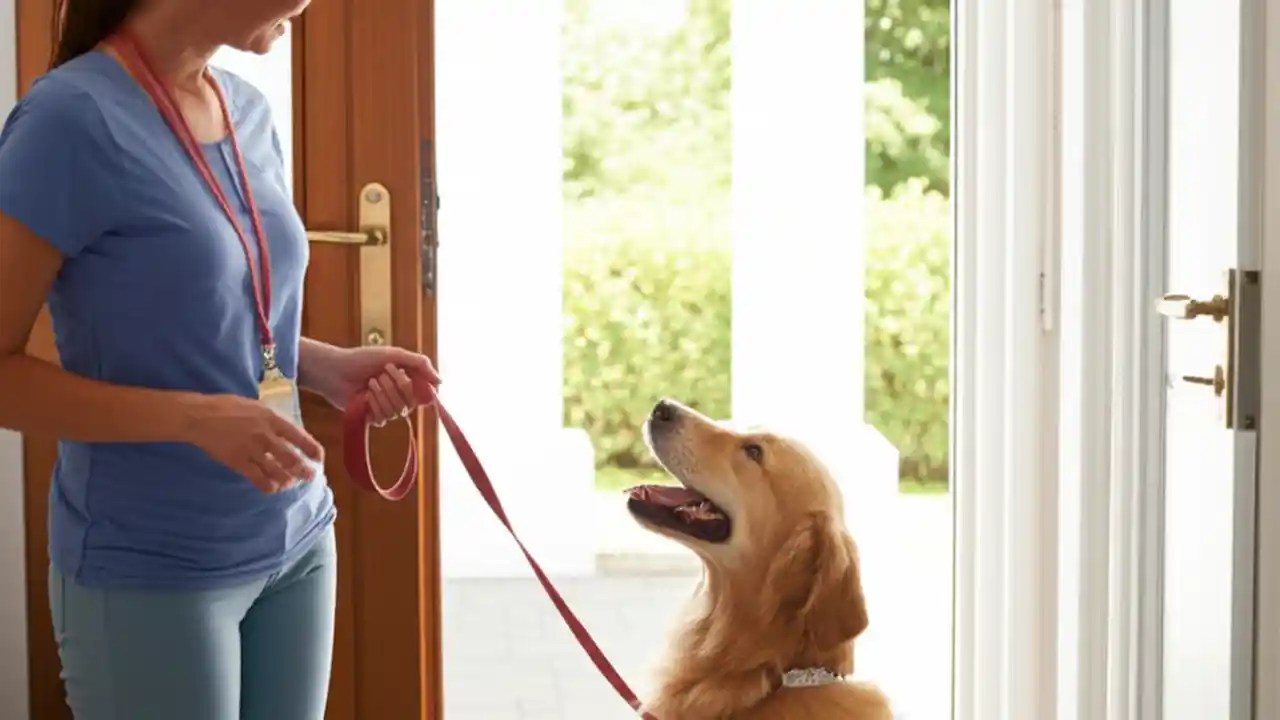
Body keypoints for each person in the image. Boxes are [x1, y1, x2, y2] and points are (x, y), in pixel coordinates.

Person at [0, 0, 438, 718]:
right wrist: (193, 419)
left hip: (296, 544)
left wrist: (324, 366)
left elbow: (207, 319)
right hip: (150, 566)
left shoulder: (246, 110)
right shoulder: (68, 122)